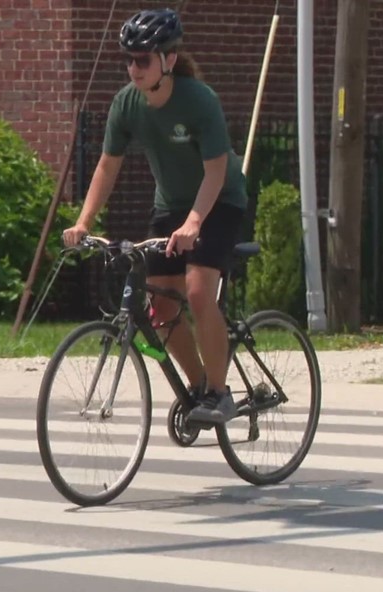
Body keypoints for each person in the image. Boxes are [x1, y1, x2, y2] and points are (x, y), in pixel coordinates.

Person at [62, 8, 249, 425]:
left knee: (199, 291)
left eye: (142, 59)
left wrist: (196, 221)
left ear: (167, 59)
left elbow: (216, 171)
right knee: (161, 308)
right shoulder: (126, 105)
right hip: (171, 205)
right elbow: (108, 167)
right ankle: (200, 387)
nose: (133, 68)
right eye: (127, 59)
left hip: (219, 200)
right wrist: (84, 221)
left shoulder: (199, 101)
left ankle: (220, 395)